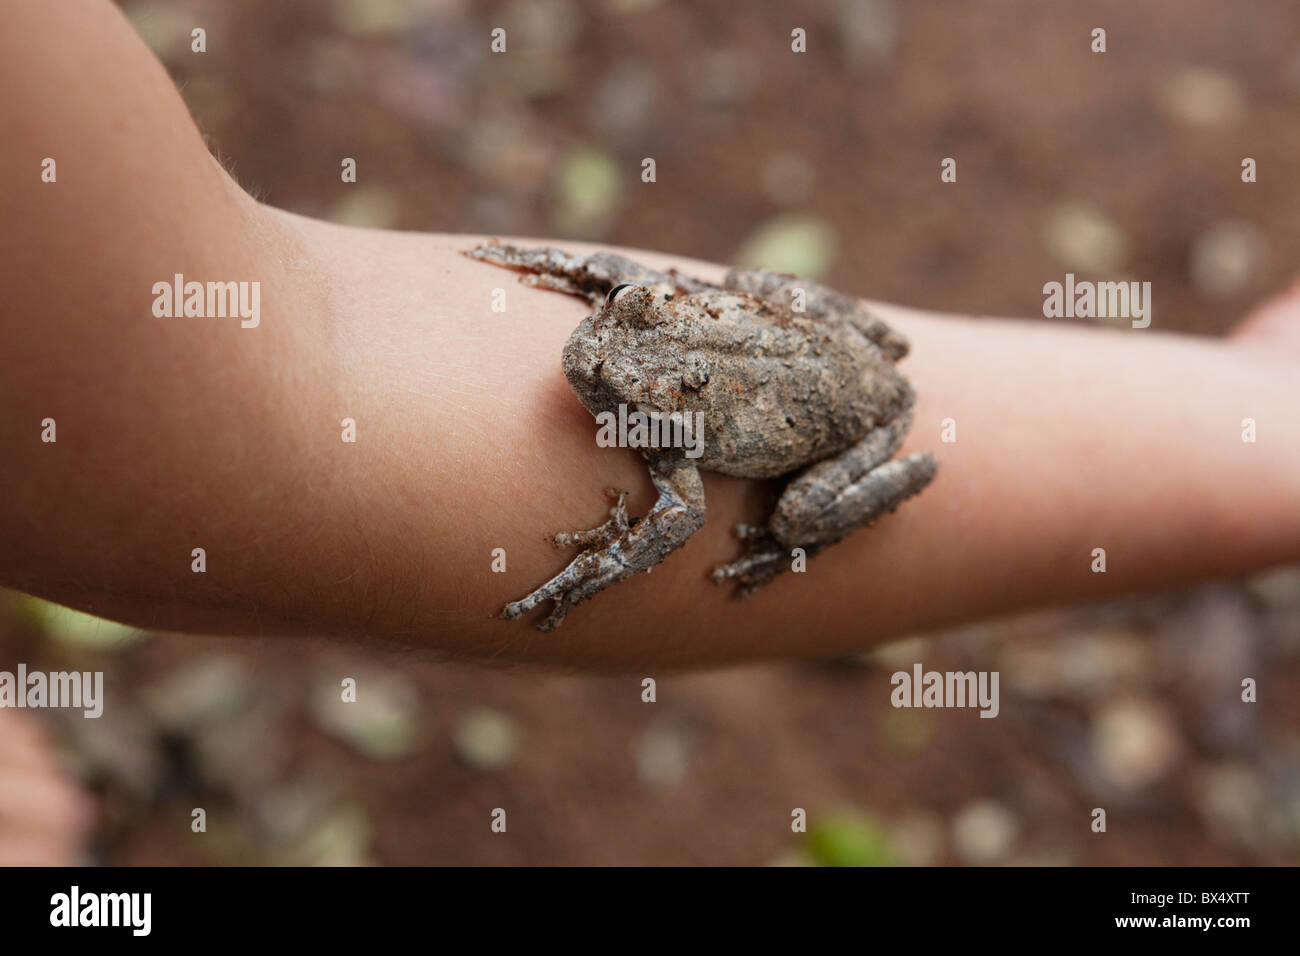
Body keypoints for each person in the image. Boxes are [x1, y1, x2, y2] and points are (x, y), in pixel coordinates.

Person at [1, 0, 1296, 669]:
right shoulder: (643, 338)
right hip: (813, 339)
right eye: (621, 326)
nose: (598, 365)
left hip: (847, 410)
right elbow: (635, 307)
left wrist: (592, 565)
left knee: (778, 520)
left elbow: (677, 515)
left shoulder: (676, 445)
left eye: (638, 374)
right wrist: (576, 271)